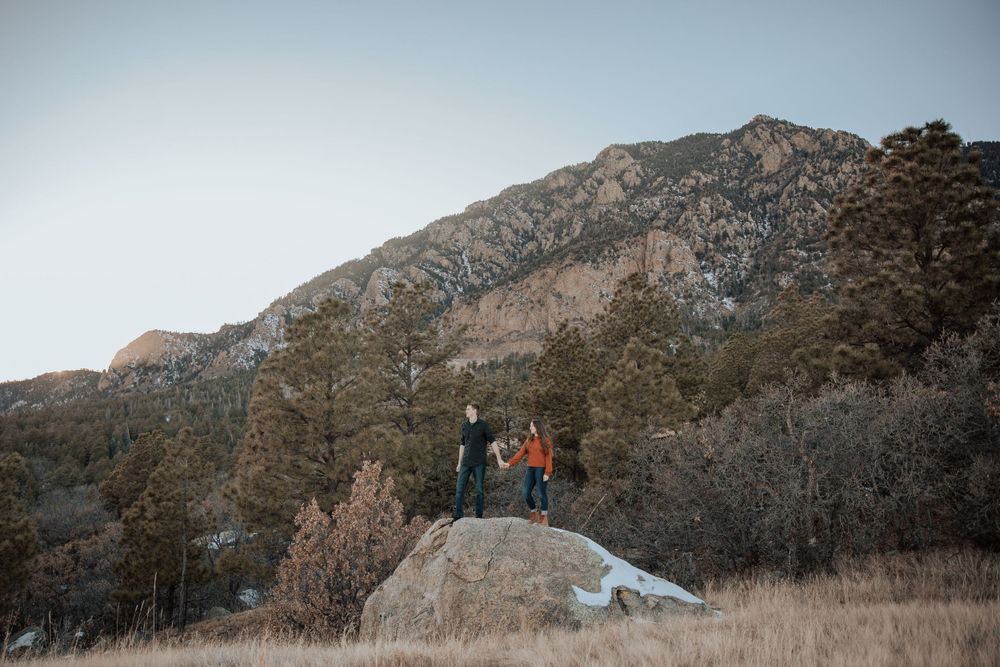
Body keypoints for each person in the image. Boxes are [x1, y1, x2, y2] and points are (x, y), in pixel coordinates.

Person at [453, 402, 504, 519]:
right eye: (466, 409)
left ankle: (479, 515)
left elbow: (493, 442)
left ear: (475, 411)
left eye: (468, 409)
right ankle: (458, 515)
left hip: (479, 463)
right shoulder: (464, 425)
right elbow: (462, 444)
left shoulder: (483, 425)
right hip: (465, 463)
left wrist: (499, 459)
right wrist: (459, 462)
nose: (466, 411)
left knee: (479, 490)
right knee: (459, 490)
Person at [504, 418, 553, 526]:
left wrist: (547, 473)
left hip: (541, 470)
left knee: (541, 494)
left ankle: (544, 517)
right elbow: (520, 453)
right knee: (526, 493)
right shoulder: (529, 440)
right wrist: (510, 463)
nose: (530, 427)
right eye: (530, 426)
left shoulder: (546, 440)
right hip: (530, 469)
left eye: (532, 426)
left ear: (537, 427)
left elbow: (549, 457)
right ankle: (534, 513)